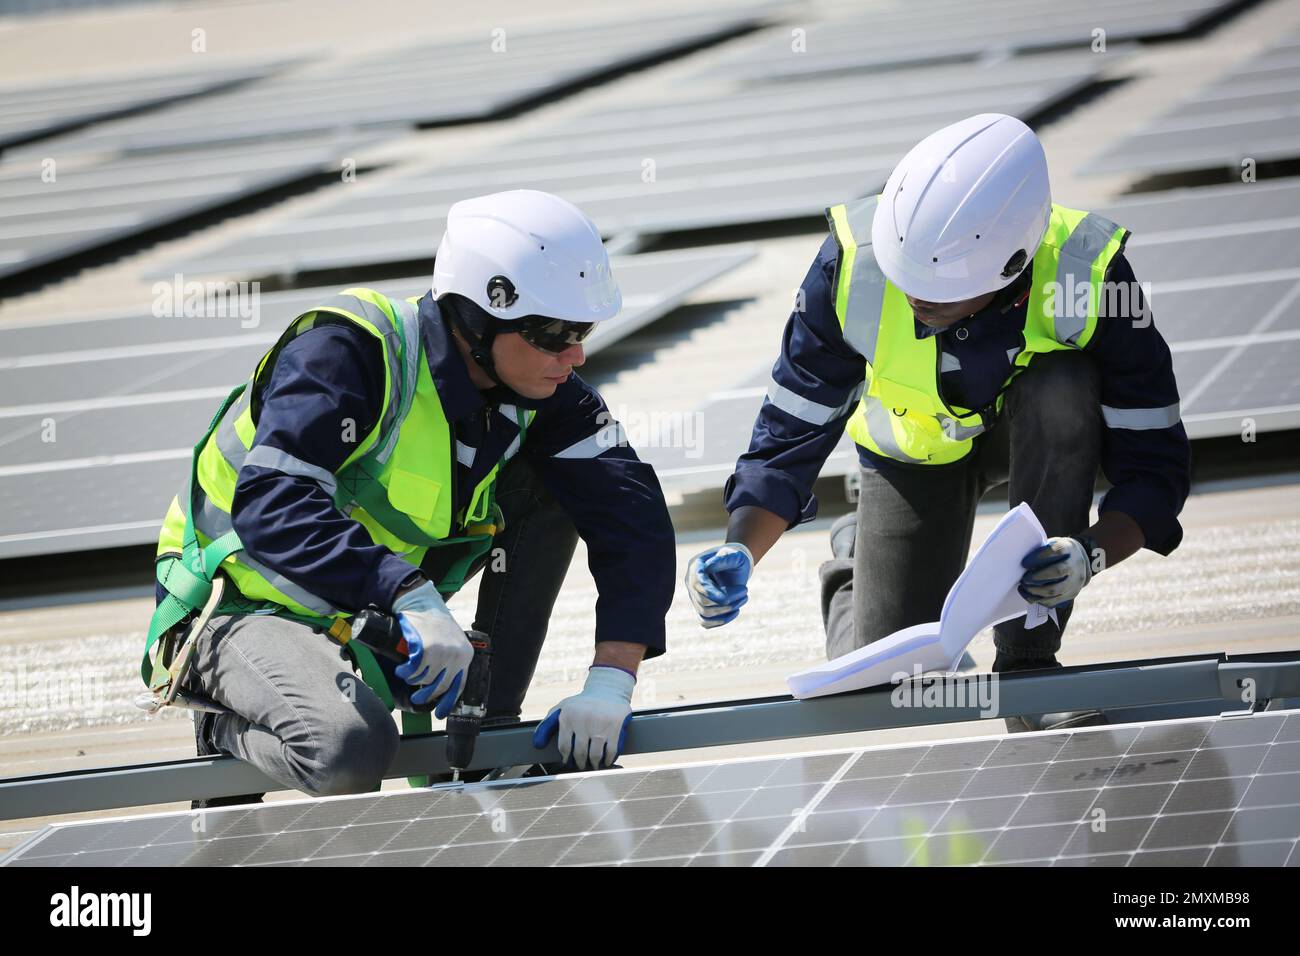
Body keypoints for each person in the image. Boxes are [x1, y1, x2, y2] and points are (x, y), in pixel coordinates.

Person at [142, 190, 676, 803]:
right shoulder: (349, 354)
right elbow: (273, 503)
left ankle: (487, 734)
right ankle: (224, 720)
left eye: (583, 331)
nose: (575, 355)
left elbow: (631, 516)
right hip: (238, 603)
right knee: (347, 752)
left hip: (367, 610)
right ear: (478, 317)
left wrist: (612, 679)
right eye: (554, 334)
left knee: (559, 490)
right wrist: (409, 594)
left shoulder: (546, 390)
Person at [685, 114, 1191, 732]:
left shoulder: (1087, 273)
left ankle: (1029, 671)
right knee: (887, 692)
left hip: (1035, 434)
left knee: (1062, 387)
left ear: (1012, 267)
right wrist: (740, 545)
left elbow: (1154, 464)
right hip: (914, 457)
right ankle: (855, 563)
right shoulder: (854, 267)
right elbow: (790, 434)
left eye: (939, 286)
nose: (914, 298)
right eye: (907, 275)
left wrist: (1091, 553)